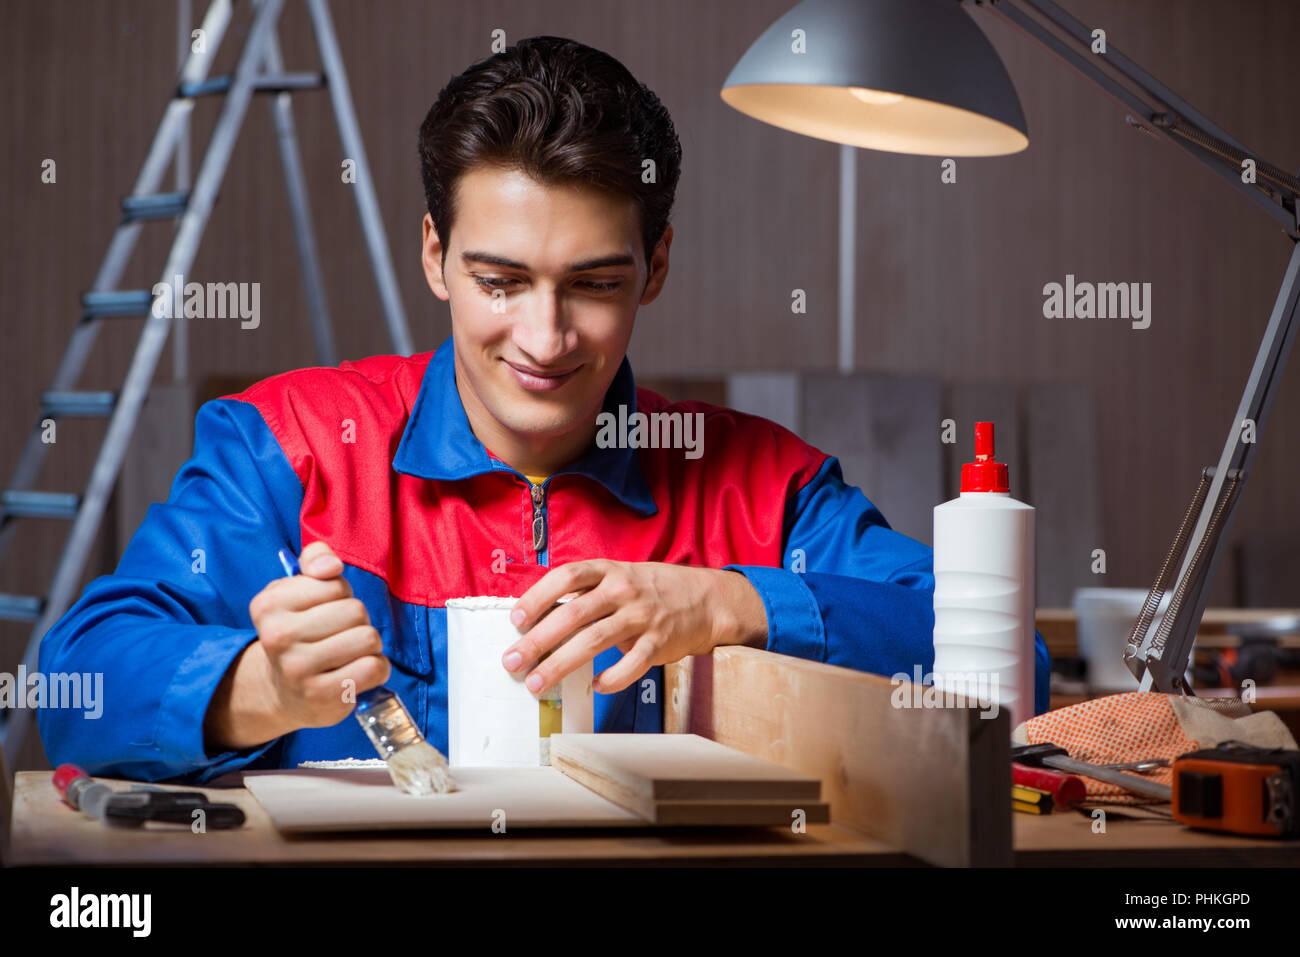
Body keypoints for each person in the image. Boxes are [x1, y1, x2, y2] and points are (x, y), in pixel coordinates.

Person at [38, 35, 1050, 782]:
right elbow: (74, 681)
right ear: (435, 255)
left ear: (654, 268)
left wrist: (737, 605)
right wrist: (257, 688)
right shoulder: (285, 448)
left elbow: (1013, 675)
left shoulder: (766, 486)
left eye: (594, 284)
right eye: (502, 280)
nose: (546, 337)